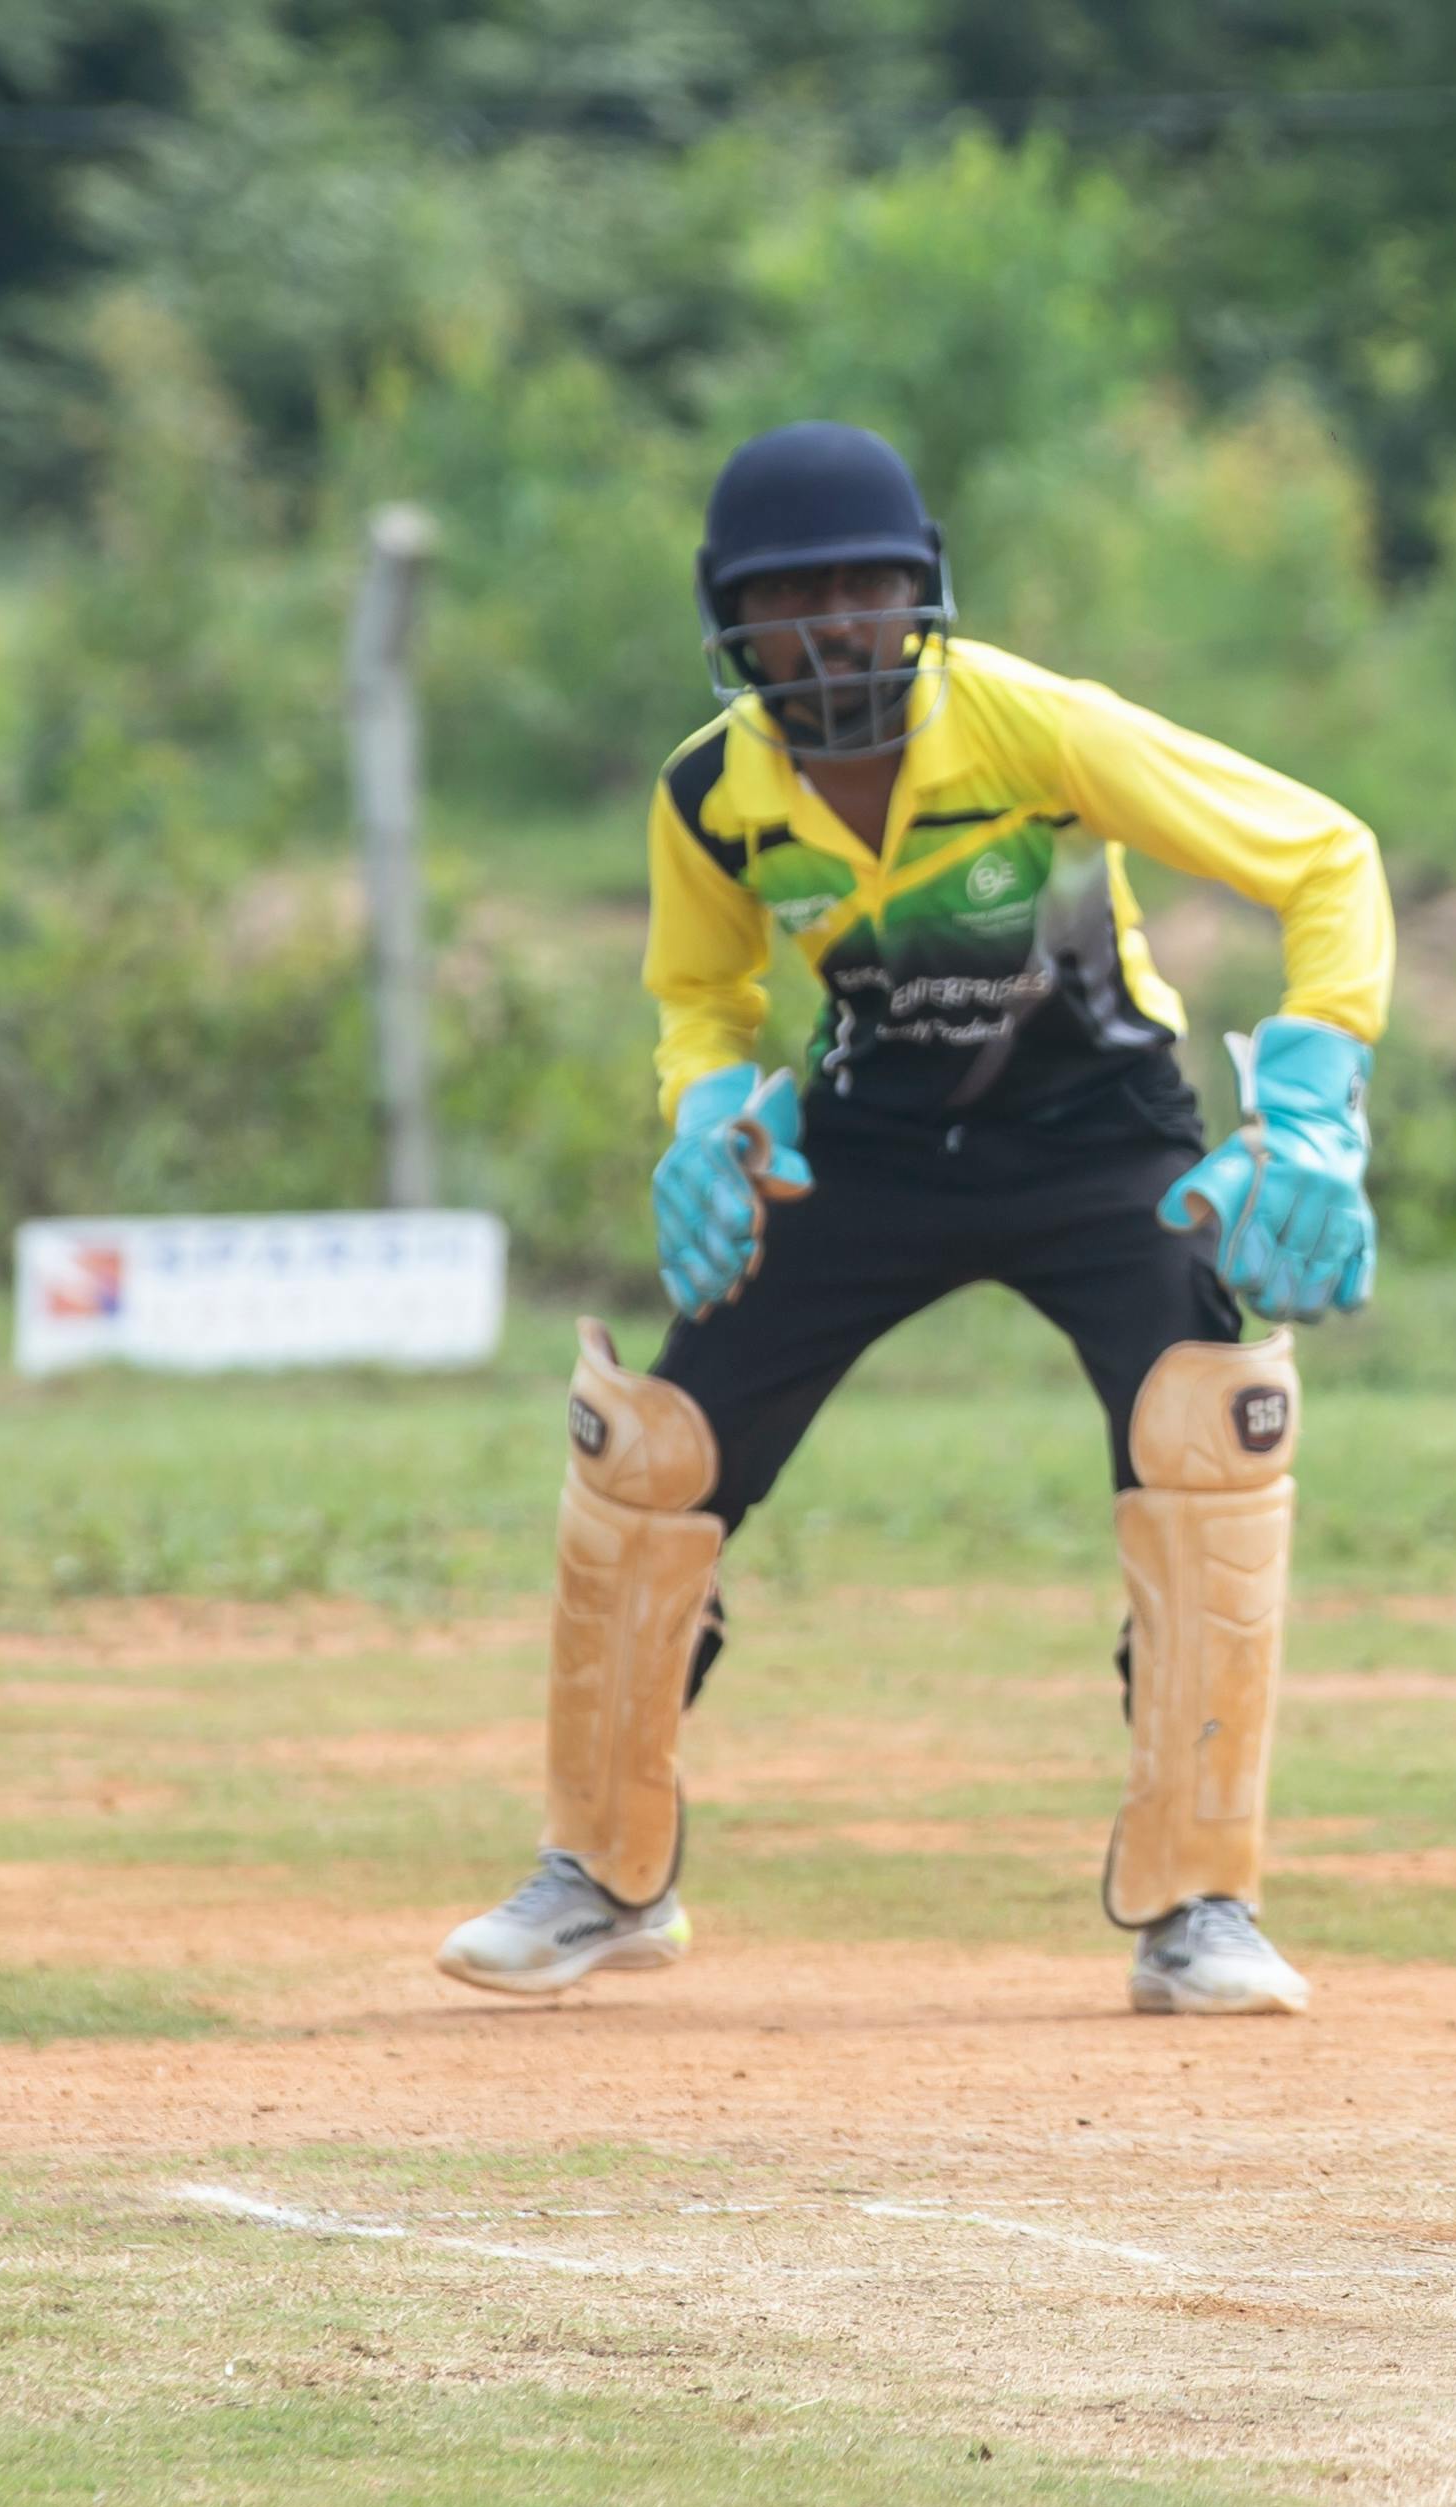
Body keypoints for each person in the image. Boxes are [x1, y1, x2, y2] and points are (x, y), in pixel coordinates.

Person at [432, 421, 1394, 2018]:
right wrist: (709, 1119)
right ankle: (600, 1877)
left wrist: (1309, 1105)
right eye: (788, 598)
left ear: (920, 592)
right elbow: (699, 991)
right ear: (729, 622)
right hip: (863, 1146)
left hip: (1101, 1139)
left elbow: (1326, 858)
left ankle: (1200, 1906)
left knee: (1203, 1439)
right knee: (652, 1458)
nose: (831, 629)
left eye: (862, 589)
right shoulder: (710, 795)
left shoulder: (1031, 727)